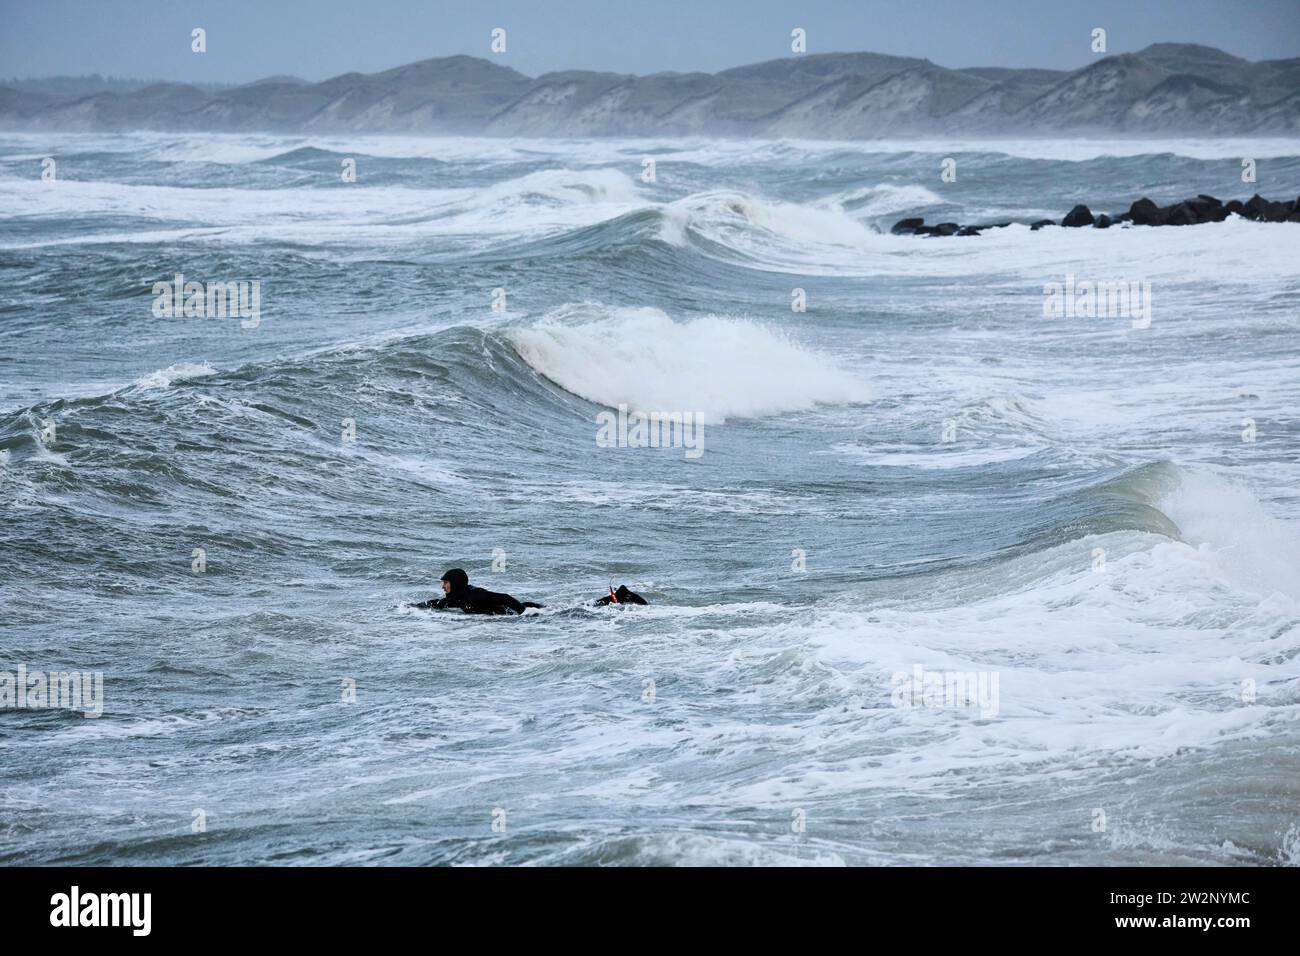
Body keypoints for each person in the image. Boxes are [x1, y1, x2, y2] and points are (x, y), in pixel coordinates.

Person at [414, 568, 542, 615]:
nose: (443, 587)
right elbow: (437, 603)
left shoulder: (474, 596)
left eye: (446, 583)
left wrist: (524, 614)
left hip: (508, 615)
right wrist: (412, 607)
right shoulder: (455, 598)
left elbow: (505, 597)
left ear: (456, 583)